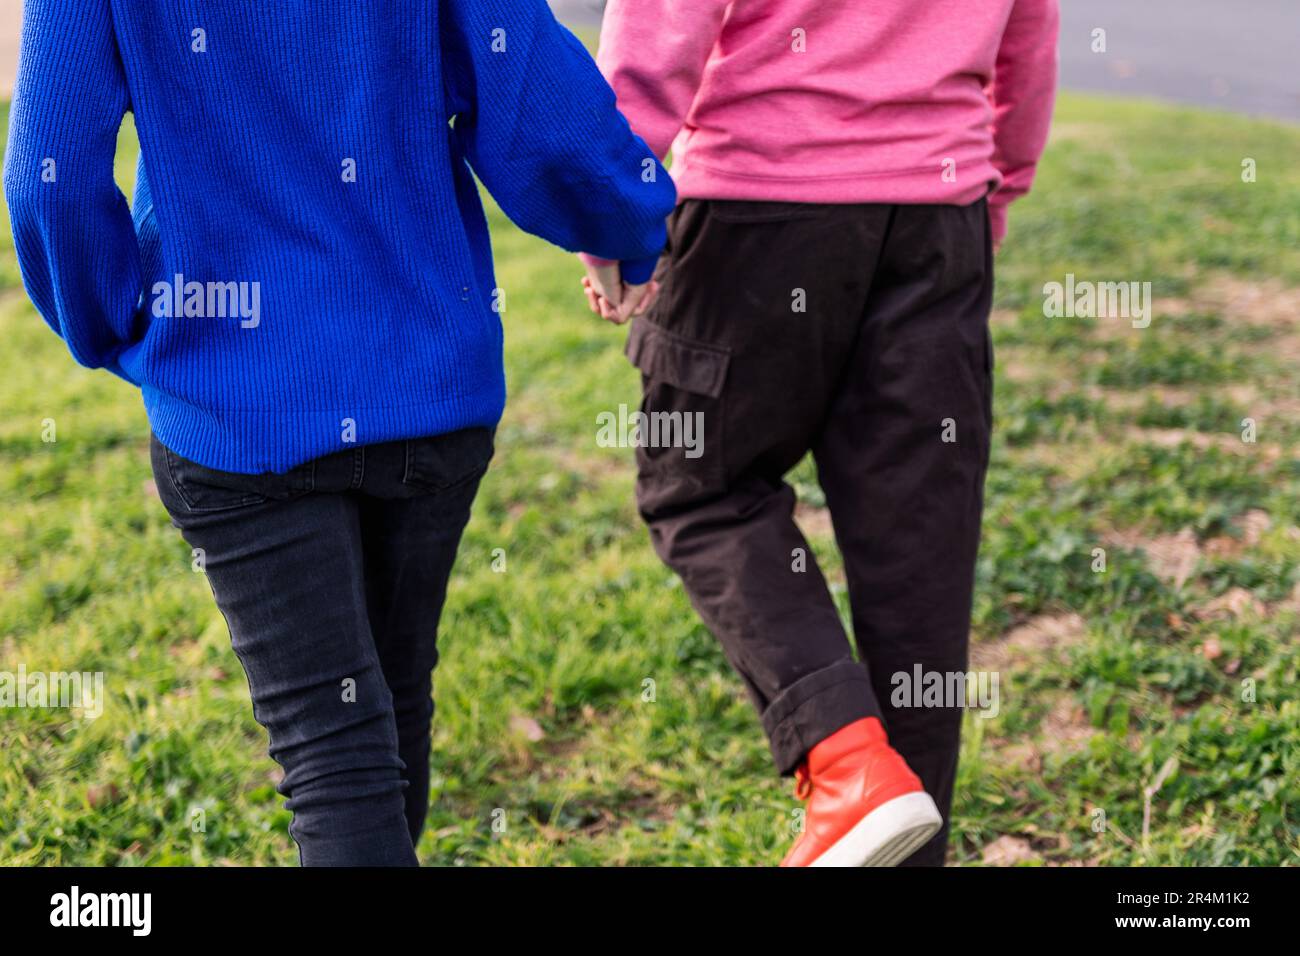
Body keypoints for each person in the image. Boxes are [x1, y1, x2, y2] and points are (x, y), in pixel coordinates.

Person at [5, 0, 674, 866]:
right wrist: (625, 225)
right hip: (429, 379)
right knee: (391, 706)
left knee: (338, 755)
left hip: (236, 403)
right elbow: (531, 90)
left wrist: (112, 324)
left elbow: (46, 177)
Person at [580, 0, 1059, 866]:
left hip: (759, 211)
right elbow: (1028, 33)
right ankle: (902, 842)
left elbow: (665, 22)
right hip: (937, 216)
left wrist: (616, 204)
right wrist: (999, 183)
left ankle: (847, 765)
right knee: (921, 554)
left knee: (703, 491)